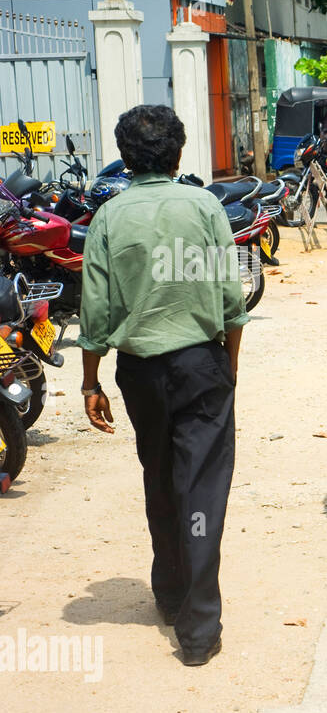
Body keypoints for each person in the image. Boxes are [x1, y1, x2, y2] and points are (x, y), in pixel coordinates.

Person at [78, 105, 248, 667]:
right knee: (200, 487)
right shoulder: (204, 206)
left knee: (158, 475)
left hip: (139, 371)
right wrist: (230, 366)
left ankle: (171, 593)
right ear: (179, 153)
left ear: (126, 159)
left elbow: (95, 310)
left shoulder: (109, 216)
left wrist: (90, 381)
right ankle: (198, 630)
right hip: (201, 363)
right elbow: (231, 300)